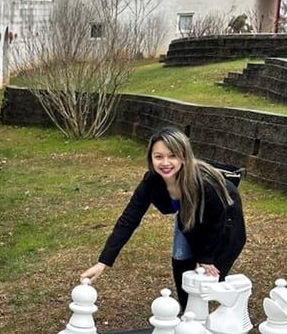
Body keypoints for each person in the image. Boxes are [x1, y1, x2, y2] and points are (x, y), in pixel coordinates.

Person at [80, 126, 246, 311]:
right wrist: (103, 262)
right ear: (151, 157)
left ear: (183, 156)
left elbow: (214, 224)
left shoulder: (205, 185)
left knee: (207, 276)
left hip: (225, 222)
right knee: (181, 261)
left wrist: (206, 258)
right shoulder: (152, 181)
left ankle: (218, 309)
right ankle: (187, 311)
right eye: (158, 156)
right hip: (188, 216)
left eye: (172, 156)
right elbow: (129, 219)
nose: (165, 163)